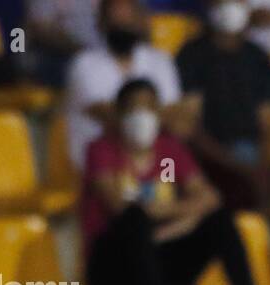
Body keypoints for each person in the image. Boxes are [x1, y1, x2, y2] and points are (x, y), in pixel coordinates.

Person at [82, 79, 258, 285]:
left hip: (163, 252)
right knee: (134, 218)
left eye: (150, 108)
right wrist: (185, 215)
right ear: (120, 114)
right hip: (118, 263)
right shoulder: (102, 150)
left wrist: (171, 222)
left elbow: (210, 198)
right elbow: (119, 206)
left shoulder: (169, 151)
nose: (143, 116)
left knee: (219, 220)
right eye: (135, 108)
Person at [176, 0, 270, 210]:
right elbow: (190, 127)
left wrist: (264, 167)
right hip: (211, 155)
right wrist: (236, 165)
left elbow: (268, 123)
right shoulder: (191, 54)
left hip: (252, 153)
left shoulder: (258, 56)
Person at [64, 0, 183, 169]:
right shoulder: (84, 65)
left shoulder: (160, 61)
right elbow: (106, 115)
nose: (122, 26)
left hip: (154, 163)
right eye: (116, 21)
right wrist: (152, 113)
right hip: (98, 163)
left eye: (128, 20)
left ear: (141, 21)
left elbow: (175, 115)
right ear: (102, 23)